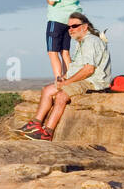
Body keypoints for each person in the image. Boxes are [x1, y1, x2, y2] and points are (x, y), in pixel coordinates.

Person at [19, 13, 110, 141]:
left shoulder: (91, 41)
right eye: (69, 27)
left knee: (61, 95)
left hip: (93, 82)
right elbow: (78, 67)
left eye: (74, 26)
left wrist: (67, 82)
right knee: (48, 90)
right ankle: (35, 124)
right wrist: (65, 77)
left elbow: (89, 70)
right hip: (82, 79)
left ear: (85, 27)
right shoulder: (81, 42)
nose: (70, 29)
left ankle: (47, 133)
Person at [45, 0, 82, 82]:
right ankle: (68, 78)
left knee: (52, 52)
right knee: (65, 51)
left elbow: (52, 1)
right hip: (71, 20)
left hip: (57, 19)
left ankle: (58, 80)